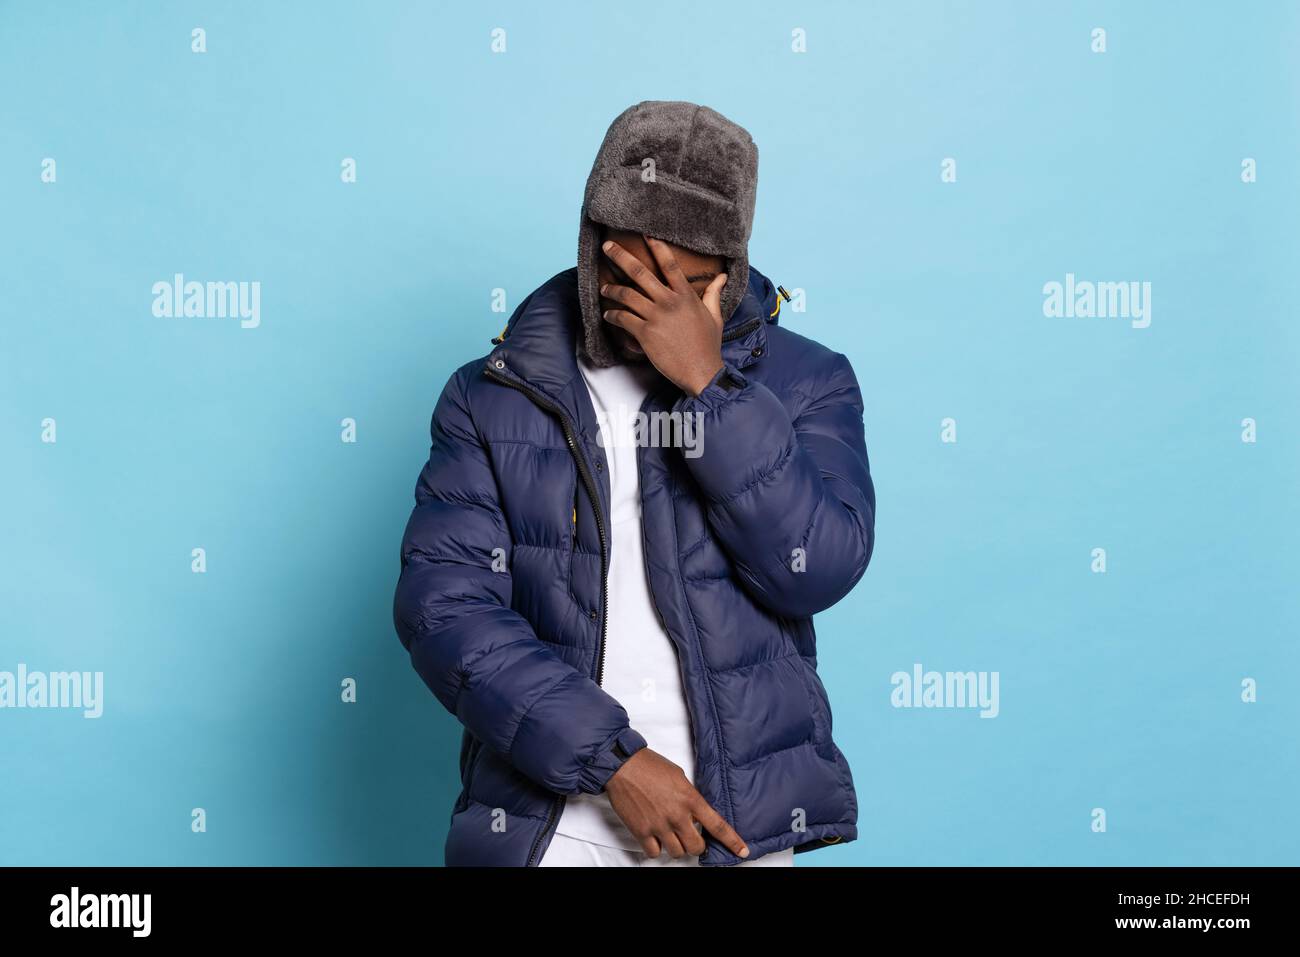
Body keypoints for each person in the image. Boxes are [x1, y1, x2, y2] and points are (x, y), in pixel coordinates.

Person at [393, 100, 876, 867]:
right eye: (629, 274)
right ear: (595, 248)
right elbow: (444, 609)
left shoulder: (806, 380)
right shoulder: (496, 391)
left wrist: (711, 388)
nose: (653, 305)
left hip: (736, 828)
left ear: (728, 276)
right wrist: (613, 761)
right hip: (554, 823)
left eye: (682, 286)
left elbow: (816, 568)